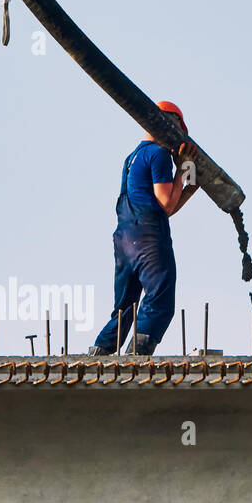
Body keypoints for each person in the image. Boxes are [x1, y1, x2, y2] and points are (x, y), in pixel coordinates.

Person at [89, 101, 200, 356]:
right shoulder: (158, 154)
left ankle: (100, 352)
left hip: (125, 240)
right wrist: (182, 168)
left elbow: (164, 206)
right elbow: (165, 204)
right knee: (160, 299)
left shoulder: (132, 157)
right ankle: (136, 357)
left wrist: (188, 188)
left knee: (125, 305)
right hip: (149, 236)